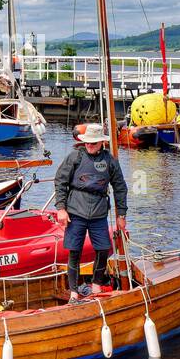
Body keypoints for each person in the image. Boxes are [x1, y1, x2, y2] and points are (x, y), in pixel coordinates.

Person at [55, 122, 128, 303]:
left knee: (103, 249)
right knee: (74, 251)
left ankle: (96, 286)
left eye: (93, 143)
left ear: (101, 143)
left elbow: (120, 187)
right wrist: (61, 209)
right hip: (75, 212)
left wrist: (121, 215)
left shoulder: (110, 161)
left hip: (98, 212)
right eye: (87, 142)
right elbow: (60, 180)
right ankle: (73, 293)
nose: (89, 145)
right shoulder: (75, 157)